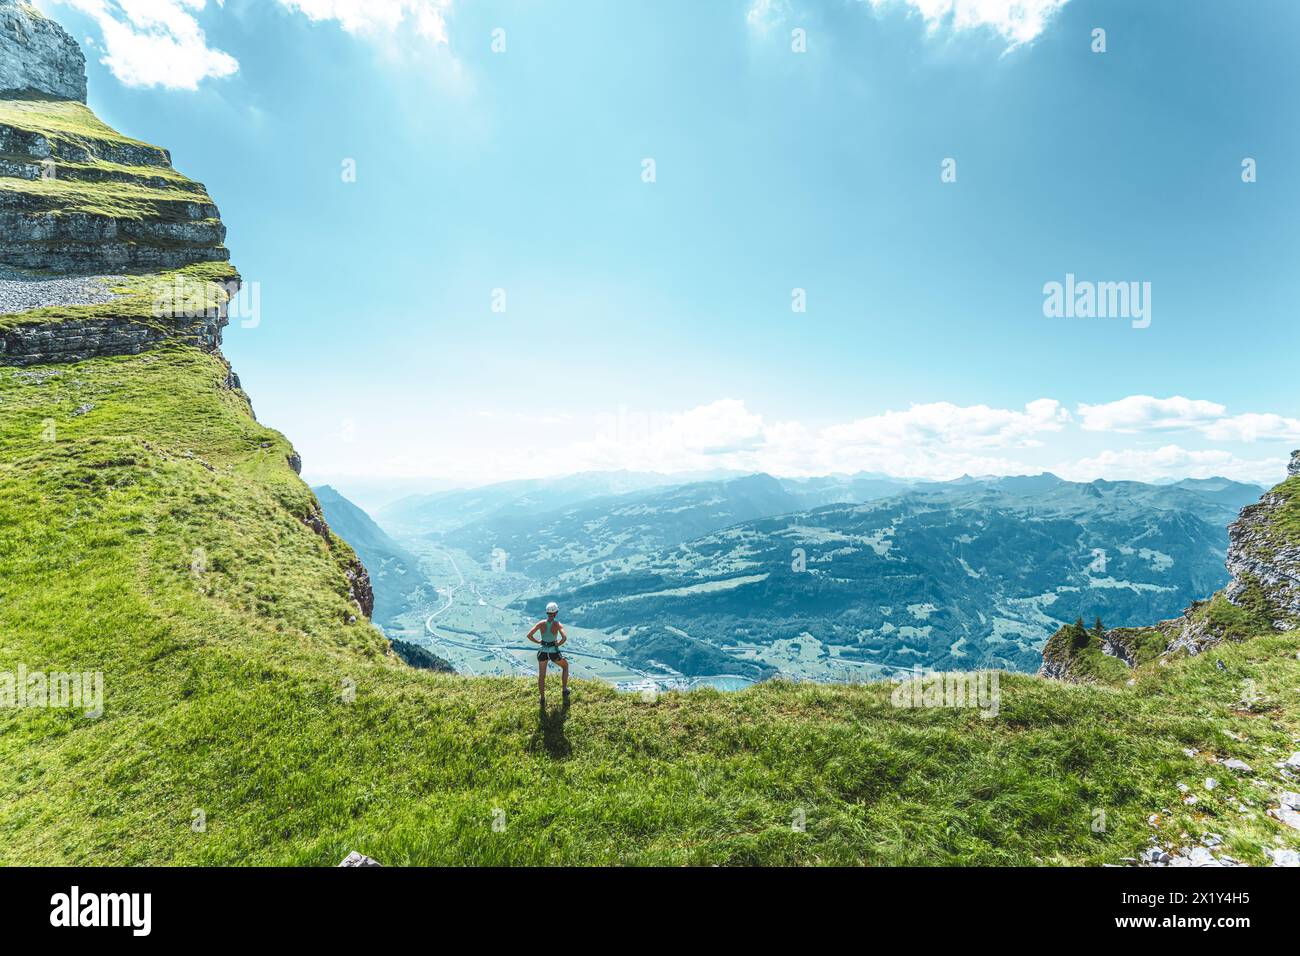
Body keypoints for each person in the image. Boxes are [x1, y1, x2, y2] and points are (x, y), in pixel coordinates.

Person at [527, 601, 570, 705]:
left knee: (542, 675)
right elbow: (564, 637)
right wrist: (558, 644)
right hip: (553, 652)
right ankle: (564, 690)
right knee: (565, 666)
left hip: (542, 651)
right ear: (556, 612)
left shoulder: (541, 623)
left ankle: (542, 698)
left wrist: (538, 642)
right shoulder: (557, 624)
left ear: (547, 612)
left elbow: (529, 635)